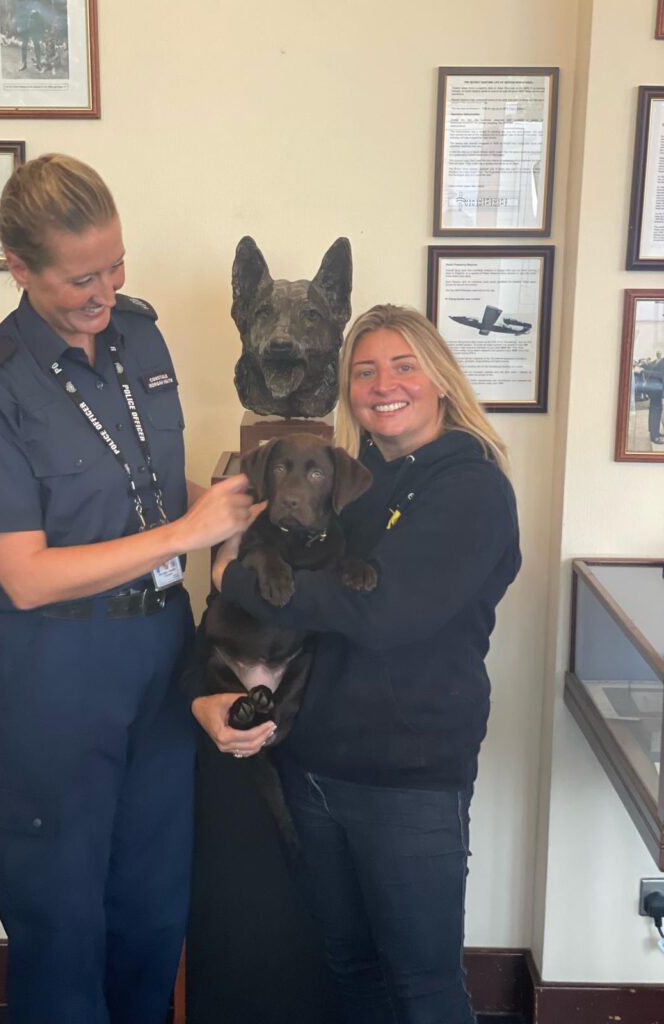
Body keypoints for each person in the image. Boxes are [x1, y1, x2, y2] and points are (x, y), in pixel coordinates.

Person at [0, 153, 253, 1024]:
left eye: (116, 265)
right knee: (64, 939)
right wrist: (187, 535)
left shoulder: (139, 336)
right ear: (19, 269)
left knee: (153, 921)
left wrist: (225, 515)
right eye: (82, 277)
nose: (105, 289)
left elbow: (142, 486)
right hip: (55, 675)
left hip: (161, 656)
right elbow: (24, 576)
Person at [197, 304, 521, 1024]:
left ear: (440, 379)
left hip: (409, 779)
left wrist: (233, 576)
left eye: (404, 366)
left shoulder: (470, 490)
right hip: (312, 767)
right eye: (364, 371)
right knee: (350, 969)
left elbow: (382, 616)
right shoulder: (354, 480)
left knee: (424, 984)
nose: (383, 385)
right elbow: (286, 603)